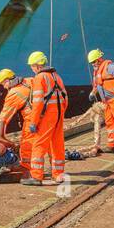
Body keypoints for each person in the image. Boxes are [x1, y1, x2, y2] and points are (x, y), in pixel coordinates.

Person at [22, 51, 67, 186]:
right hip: (59, 115)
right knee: (57, 144)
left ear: (37, 66)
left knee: (39, 144)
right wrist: (61, 113)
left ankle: (36, 176)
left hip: (48, 116)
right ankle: (58, 174)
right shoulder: (56, 76)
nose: (31, 69)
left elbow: (37, 103)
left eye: (32, 66)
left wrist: (34, 122)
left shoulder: (39, 78)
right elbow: (65, 97)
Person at [0, 68, 33, 174]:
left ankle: (26, 167)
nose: (3, 86)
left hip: (32, 119)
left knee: (26, 143)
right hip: (46, 116)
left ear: (7, 80)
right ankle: (56, 171)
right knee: (47, 144)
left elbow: (4, 117)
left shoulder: (13, 93)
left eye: (3, 83)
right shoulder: (29, 81)